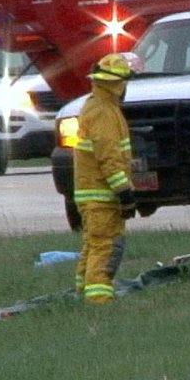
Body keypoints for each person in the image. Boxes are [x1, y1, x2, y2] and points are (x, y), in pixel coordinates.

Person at [72, 53, 137, 304]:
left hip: (94, 195)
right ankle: (99, 302)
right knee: (105, 248)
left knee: (93, 246)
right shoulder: (103, 112)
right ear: (117, 83)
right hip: (102, 197)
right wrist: (124, 192)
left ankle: (82, 297)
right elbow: (109, 157)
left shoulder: (97, 106)